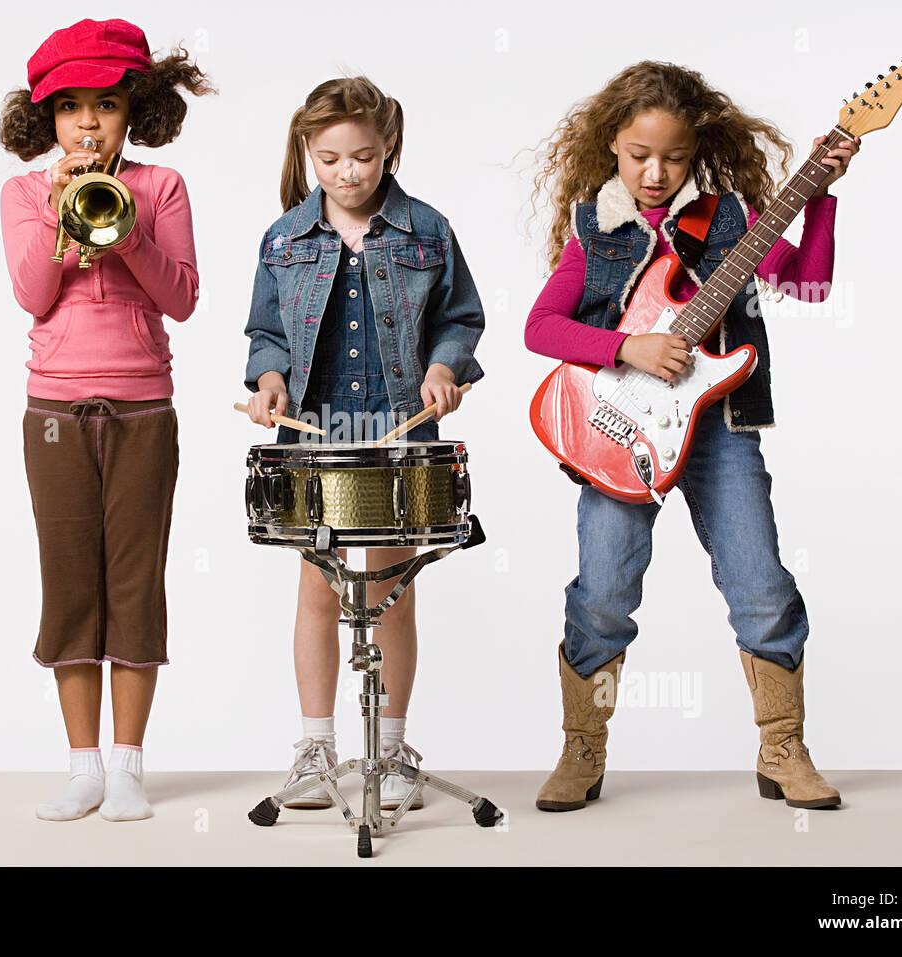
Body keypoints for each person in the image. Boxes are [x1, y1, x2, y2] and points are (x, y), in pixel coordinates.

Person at [524, 60, 858, 812]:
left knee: (761, 582)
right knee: (604, 591)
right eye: (640, 154)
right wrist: (625, 348)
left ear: (694, 152)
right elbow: (540, 328)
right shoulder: (597, 227)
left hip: (721, 430)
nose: (655, 170)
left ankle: (783, 746)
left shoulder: (732, 218)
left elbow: (808, 283)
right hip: (623, 432)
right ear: (613, 143)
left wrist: (823, 194)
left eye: (673, 157)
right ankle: (583, 746)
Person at [243, 77, 485, 810]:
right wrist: (269, 379)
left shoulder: (429, 230)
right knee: (318, 587)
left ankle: (391, 747)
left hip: (397, 428)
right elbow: (267, 332)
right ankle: (317, 745)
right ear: (307, 153)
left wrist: (445, 369)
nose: (348, 173)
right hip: (315, 432)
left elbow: (460, 318)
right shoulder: (284, 237)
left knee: (389, 592)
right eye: (329, 160)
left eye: (364, 157)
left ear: (391, 150)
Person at [0, 17, 213, 821]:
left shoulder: (161, 190)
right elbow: (31, 292)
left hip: (142, 405)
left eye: (107, 105)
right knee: (69, 583)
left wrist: (121, 238)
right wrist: (63, 222)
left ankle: (128, 765)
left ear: (136, 110)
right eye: (70, 108)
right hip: (54, 408)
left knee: (133, 581)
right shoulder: (25, 191)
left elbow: (183, 298)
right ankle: (82, 764)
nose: (88, 124)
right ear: (46, 118)